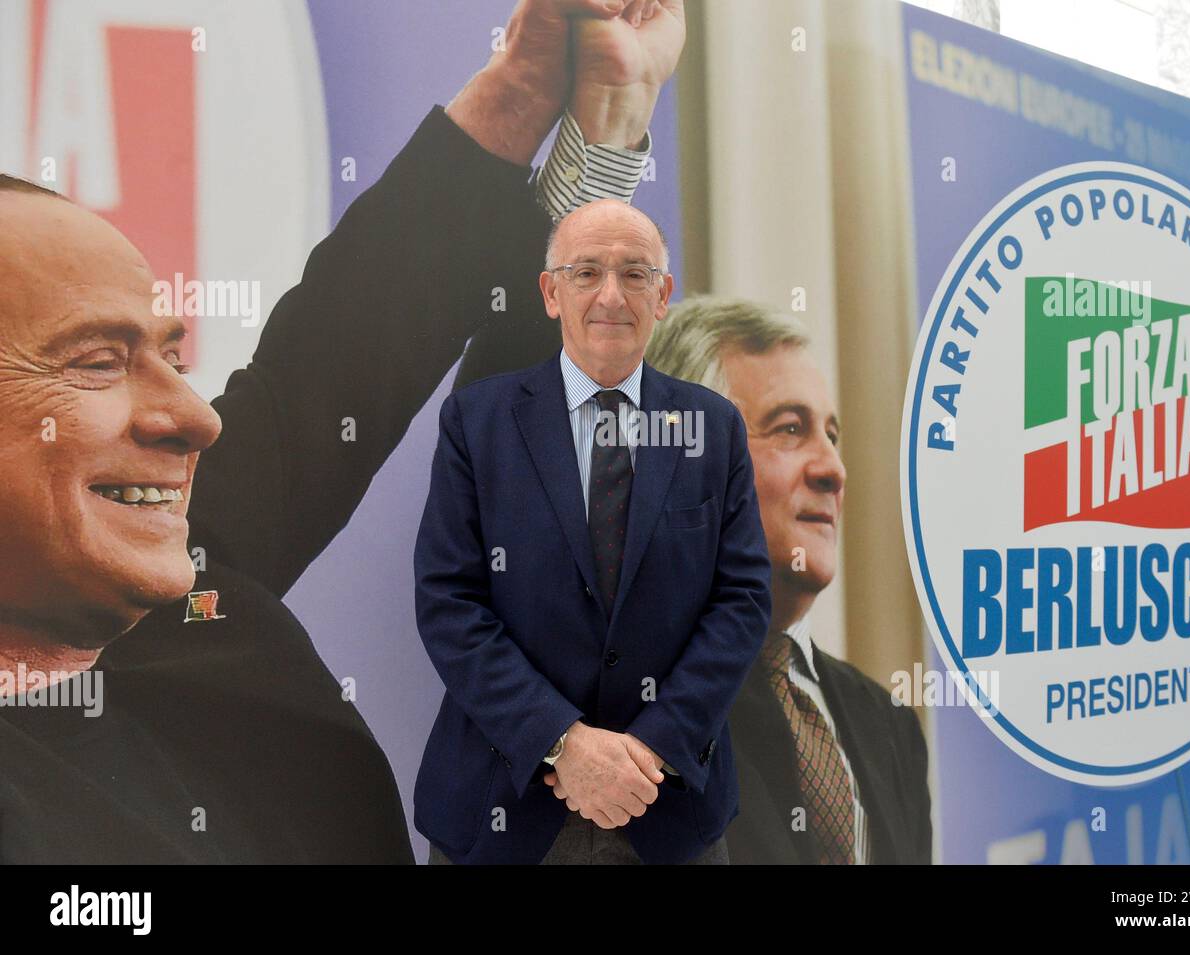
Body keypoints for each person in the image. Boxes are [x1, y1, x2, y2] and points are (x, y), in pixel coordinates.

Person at [0, 0, 673, 864]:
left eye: (173, 356)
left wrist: (559, 104)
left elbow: (338, 361)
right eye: (96, 360)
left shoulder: (193, 605)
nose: (196, 417)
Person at [415, 199, 772, 865]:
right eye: (586, 272)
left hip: (668, 812)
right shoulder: (477, 422)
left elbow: (742, 600)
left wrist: (652, 745)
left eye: (635, 274)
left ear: (663, 296)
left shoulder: (714, 426)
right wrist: (564, 742)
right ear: (551, 292)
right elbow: (448, 601)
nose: (611, 294)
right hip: (505, 807)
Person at [645, 295, 933, 864]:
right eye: (790, 429)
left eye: (832, 434)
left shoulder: (890, 725)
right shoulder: (618, 716)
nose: (833, 469)